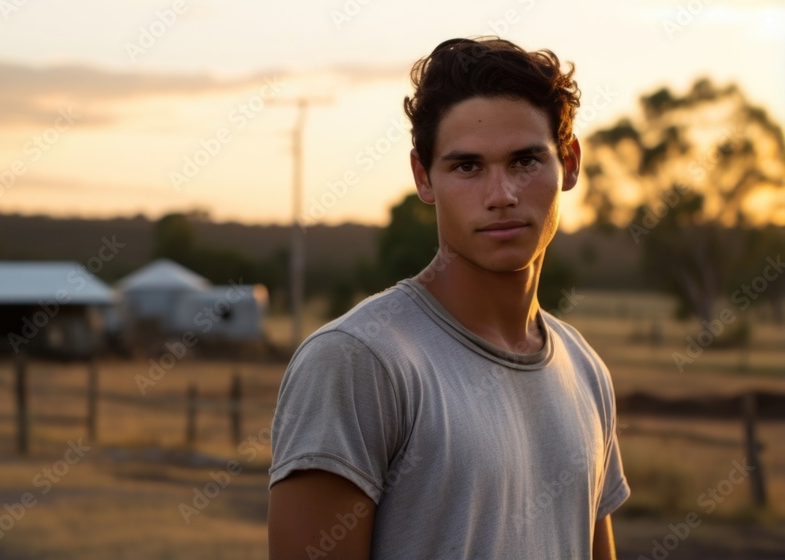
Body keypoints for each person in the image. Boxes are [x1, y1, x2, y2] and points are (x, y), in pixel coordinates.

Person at [267, 36, 630, 559]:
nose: (501, 195)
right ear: (424, 177)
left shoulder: (585, 368)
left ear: (569, 163)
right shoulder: (358, 361)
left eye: (526, 161)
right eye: (467, 167)